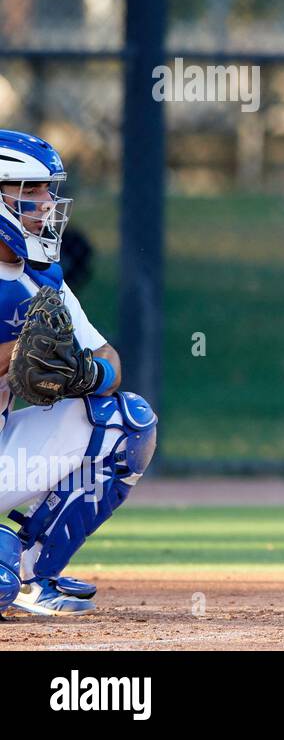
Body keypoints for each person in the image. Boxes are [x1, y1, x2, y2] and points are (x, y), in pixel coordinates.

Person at [0, 130, 158, 616]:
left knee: (126, 422)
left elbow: (109, 357)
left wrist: (87, 373)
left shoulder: (40, 274)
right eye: (30, 190)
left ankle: (29, 573)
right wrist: (16, 353)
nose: (47, 202)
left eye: (48, 189)